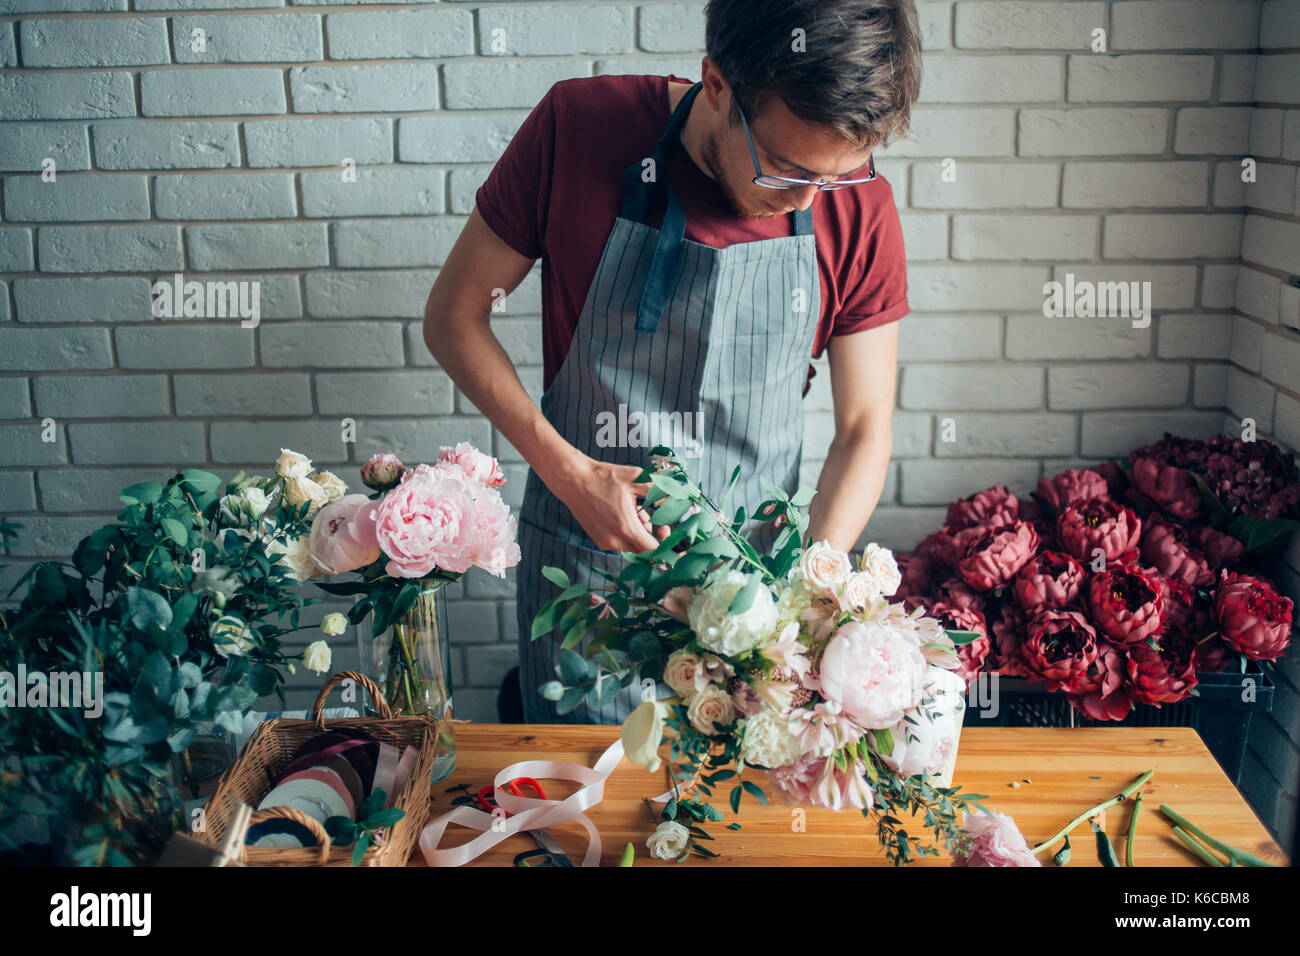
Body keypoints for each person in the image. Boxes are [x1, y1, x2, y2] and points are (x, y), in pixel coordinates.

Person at [423, 0, 921, 723]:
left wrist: (794, 601)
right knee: (582, 819)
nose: (809, 198)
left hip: (756, 586)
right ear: (715, 83)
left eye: (836, 176)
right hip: (587, 573)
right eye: (784, 169)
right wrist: (571, 474)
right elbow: (455, 317)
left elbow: (865, 430)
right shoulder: (579, 128)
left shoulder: (858, 206)